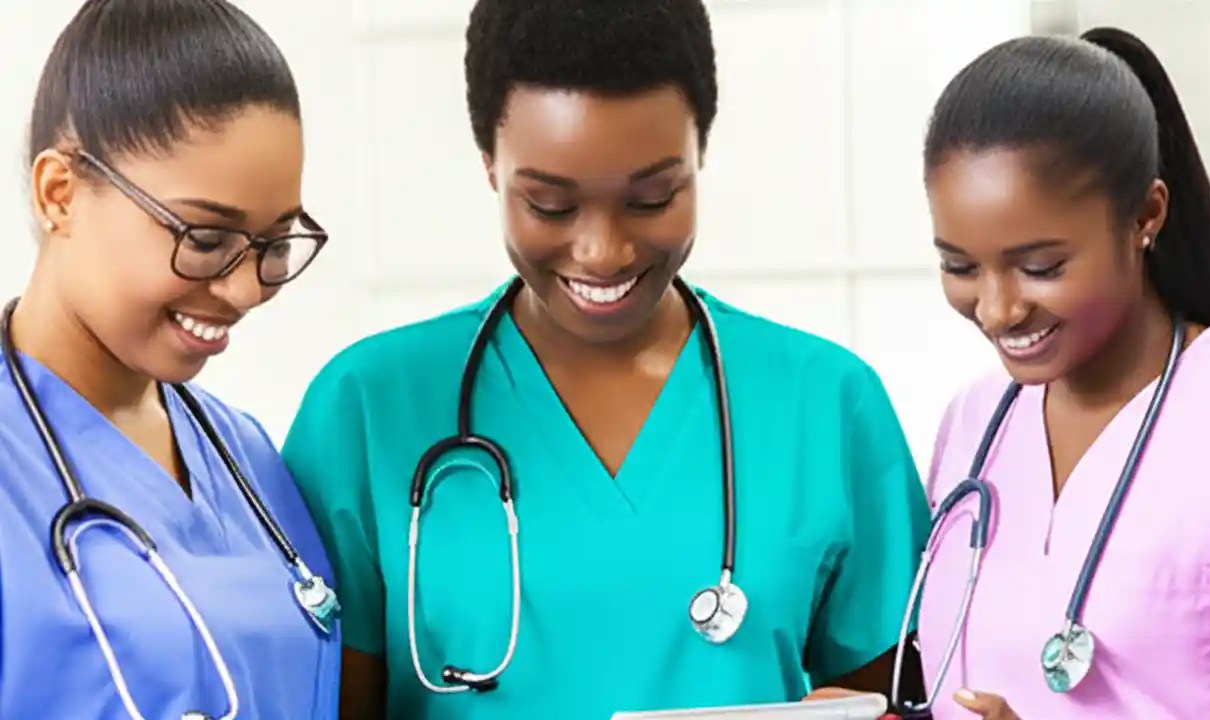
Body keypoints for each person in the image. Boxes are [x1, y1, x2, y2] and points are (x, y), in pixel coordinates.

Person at [281, 1, 931, 718]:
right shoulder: (368, 409)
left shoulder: (827, 404)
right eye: (551, 205)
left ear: (700, 154)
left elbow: (896, 701)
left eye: (653, 198)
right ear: (489, 166)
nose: (604, 251)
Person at [906, 26, 1210, 720]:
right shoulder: (976, 420)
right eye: (959, 266)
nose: (997, 309)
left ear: (1146, 216)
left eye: (1041, 267)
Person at [0, 1, 341, 717]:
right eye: (206, 238)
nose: (247, 288)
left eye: (275, 244)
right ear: (58, 193)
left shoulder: (244, 455)